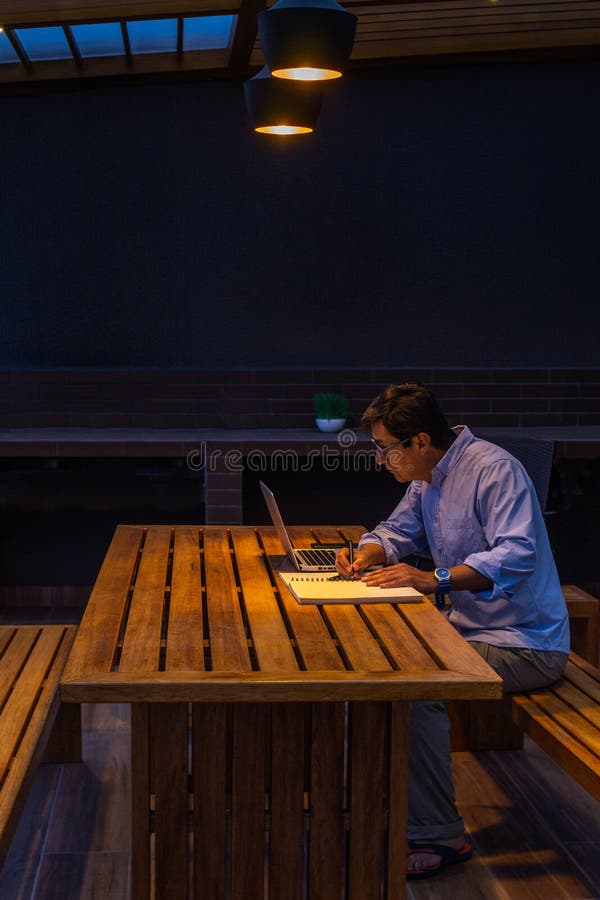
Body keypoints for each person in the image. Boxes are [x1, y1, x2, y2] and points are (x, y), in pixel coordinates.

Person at [335, 383, 570, 881]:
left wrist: (432, 577)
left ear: (420, 442)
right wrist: (369, 551)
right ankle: (391, 803)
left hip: (523, 643)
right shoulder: (428, 477)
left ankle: (440, 833)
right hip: (467, 630)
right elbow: (397, 531)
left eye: (385, 449)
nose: (381, 460)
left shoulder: (493, 470)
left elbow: (518, 554)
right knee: (377, 656)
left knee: (417, 687)